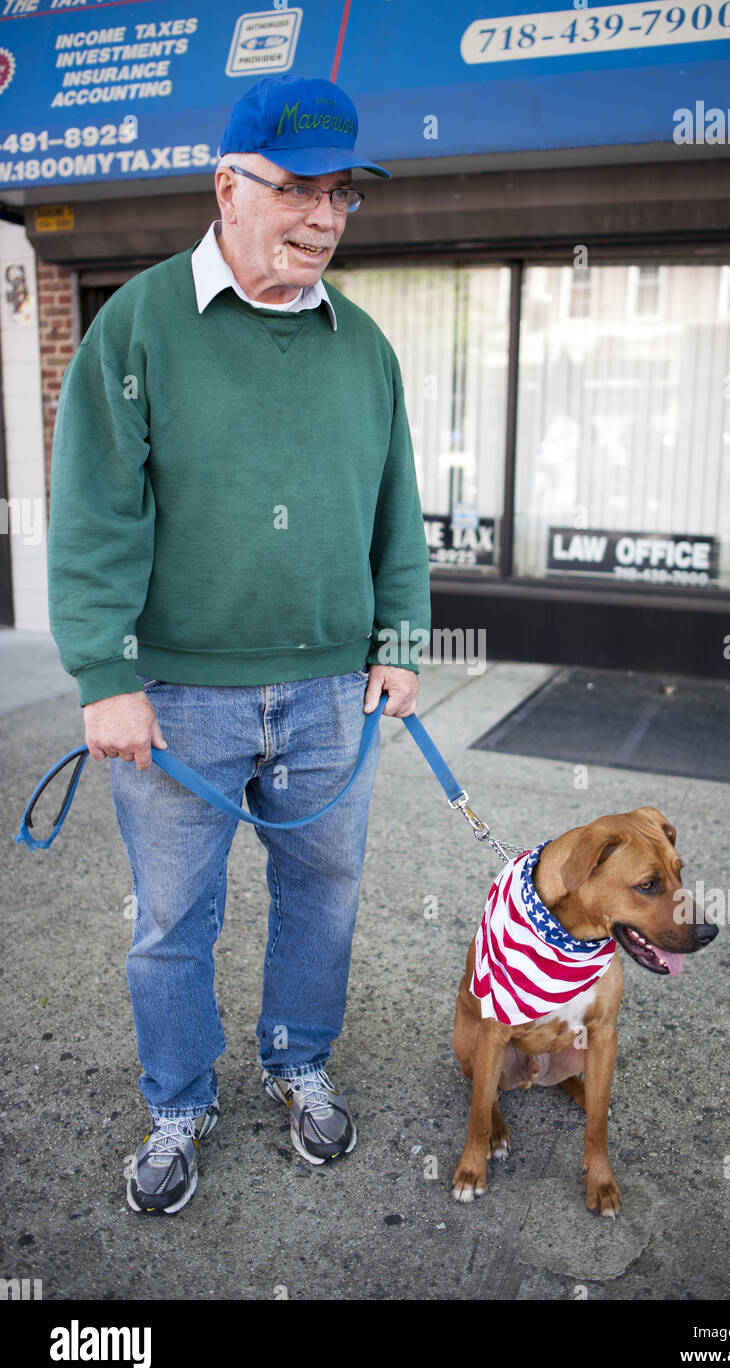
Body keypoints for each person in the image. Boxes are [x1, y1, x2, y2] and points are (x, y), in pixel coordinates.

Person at [46, 74, 430, 1214]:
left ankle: (298, 1059)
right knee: (172, 915)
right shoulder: (138, 326)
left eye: (342, 196)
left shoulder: (362, 347)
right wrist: (104, 674)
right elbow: (97, 511)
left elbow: (394, 510)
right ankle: (177, 1101)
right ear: (227, 185)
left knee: (327, 893)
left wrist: (399, 637)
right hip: (177, 696)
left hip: (328, 695)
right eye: (298, 191)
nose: (322, 218)